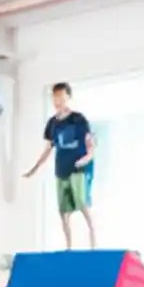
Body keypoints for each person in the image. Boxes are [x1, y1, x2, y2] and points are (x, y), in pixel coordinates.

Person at [23, 82, 96, 249]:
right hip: (61, 170)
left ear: (68, 98)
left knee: (82, 203)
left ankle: (93, 242)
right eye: (55, 97)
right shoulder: (52, 124)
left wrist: (87, 158)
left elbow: (90, 144)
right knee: (63, 212)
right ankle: (69, 246)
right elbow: (48, 149)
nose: (58, 101)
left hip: (78, 169)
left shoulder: (78, 119)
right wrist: (34, 169)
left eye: (61, 97)